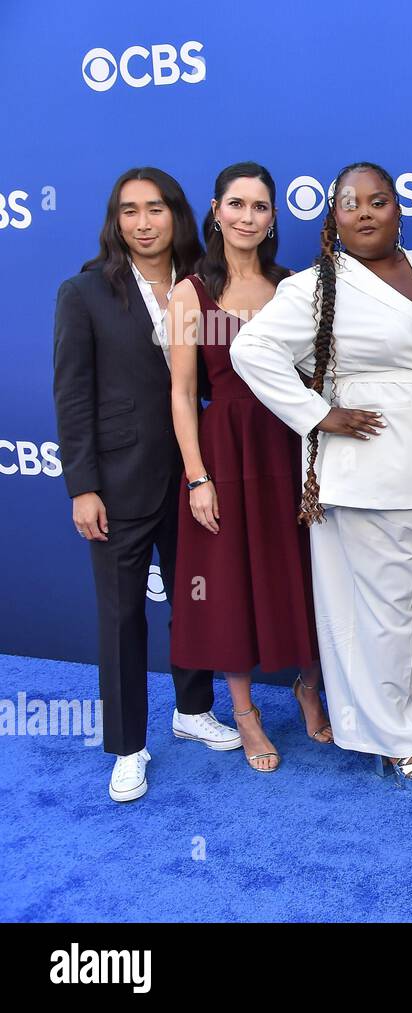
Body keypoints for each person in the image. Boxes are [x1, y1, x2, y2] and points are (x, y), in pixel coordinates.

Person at [231, 162, 412, 792]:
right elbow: (250, 350)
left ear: (400, 209)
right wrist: (318, 414)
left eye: (379, 200)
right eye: (350, 203)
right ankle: (391, 740)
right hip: (372, 473)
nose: (365, 212)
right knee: (384, 615)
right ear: (332, 217)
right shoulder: (316, 285)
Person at [53, 167, 239, 803]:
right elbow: (72, 397)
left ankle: (192, 711)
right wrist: (83, 486)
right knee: (121, 615)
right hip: (119, 483)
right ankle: (128, 745)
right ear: (116, 221)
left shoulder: (206, 287)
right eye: (129, 211)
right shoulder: (84, 293)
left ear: (177, 215)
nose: (143, 222)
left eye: (155, 209)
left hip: (195, 477)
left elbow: (220, 378)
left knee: (195, 601)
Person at [167, 162, 329, 773]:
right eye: (237, 204)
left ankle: (308, 688)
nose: (247, 216)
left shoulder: (292, 286)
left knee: (303, 570)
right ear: (216, 210)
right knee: (230, 579)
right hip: (225, 448)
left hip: (290, 445)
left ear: (272, 220)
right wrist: (197, 476)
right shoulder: (192, 292)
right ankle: (244, 714)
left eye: (260, 207)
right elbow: (183, 393)